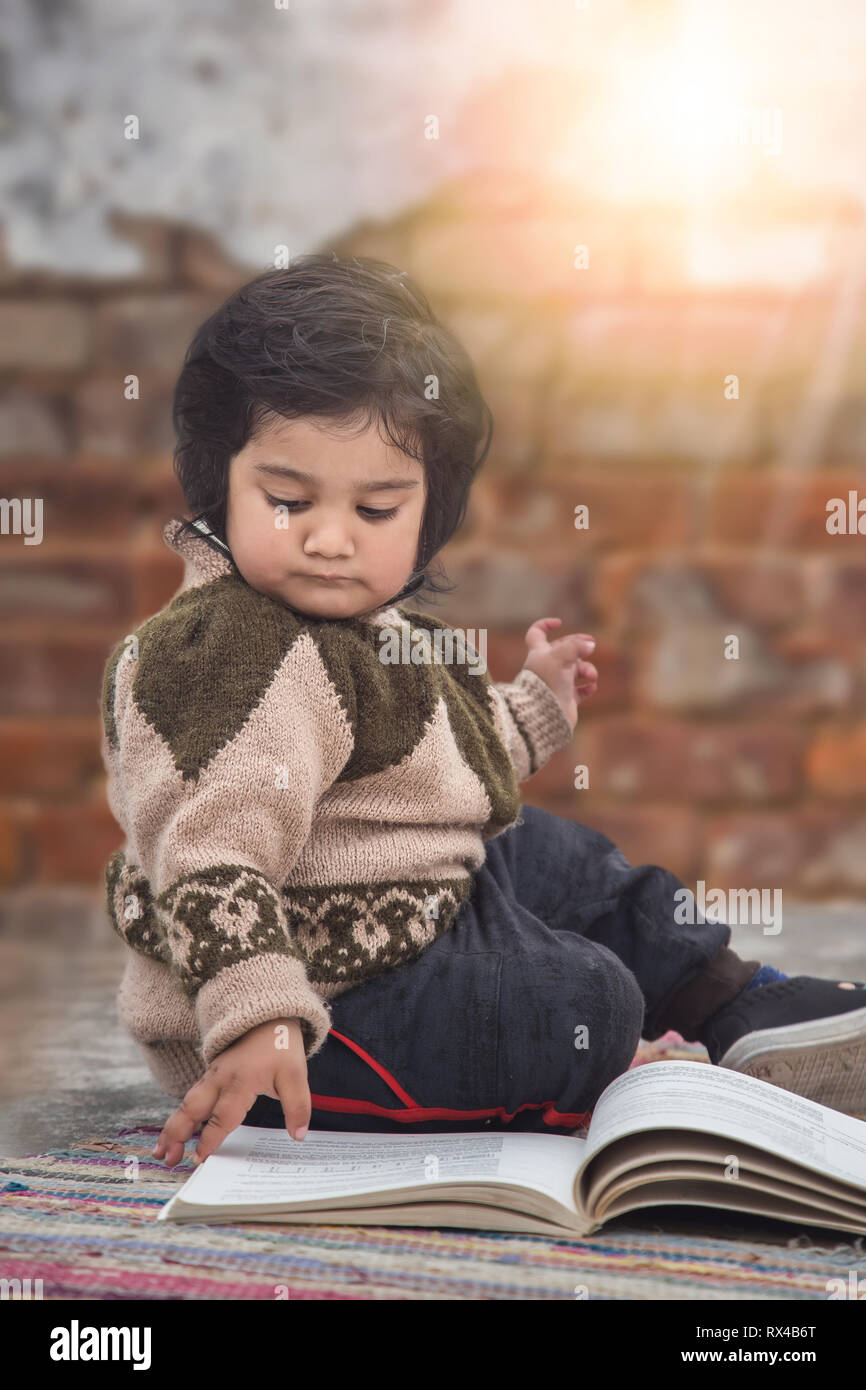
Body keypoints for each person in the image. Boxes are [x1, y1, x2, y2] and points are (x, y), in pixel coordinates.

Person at [98, 254, 866, 1172]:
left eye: (376, 508)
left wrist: (535, 707)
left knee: (562, 861)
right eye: (288, 500)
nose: (330, 537)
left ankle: (735, 1006)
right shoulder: (228, 656)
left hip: (402, 914)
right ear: (218, 481)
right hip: (308, 1008)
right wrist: (257, 1010)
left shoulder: (367, 631)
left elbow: (443, 769)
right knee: (582, 996)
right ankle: (617, 1067)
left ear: (428, 511)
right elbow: (210, 851)